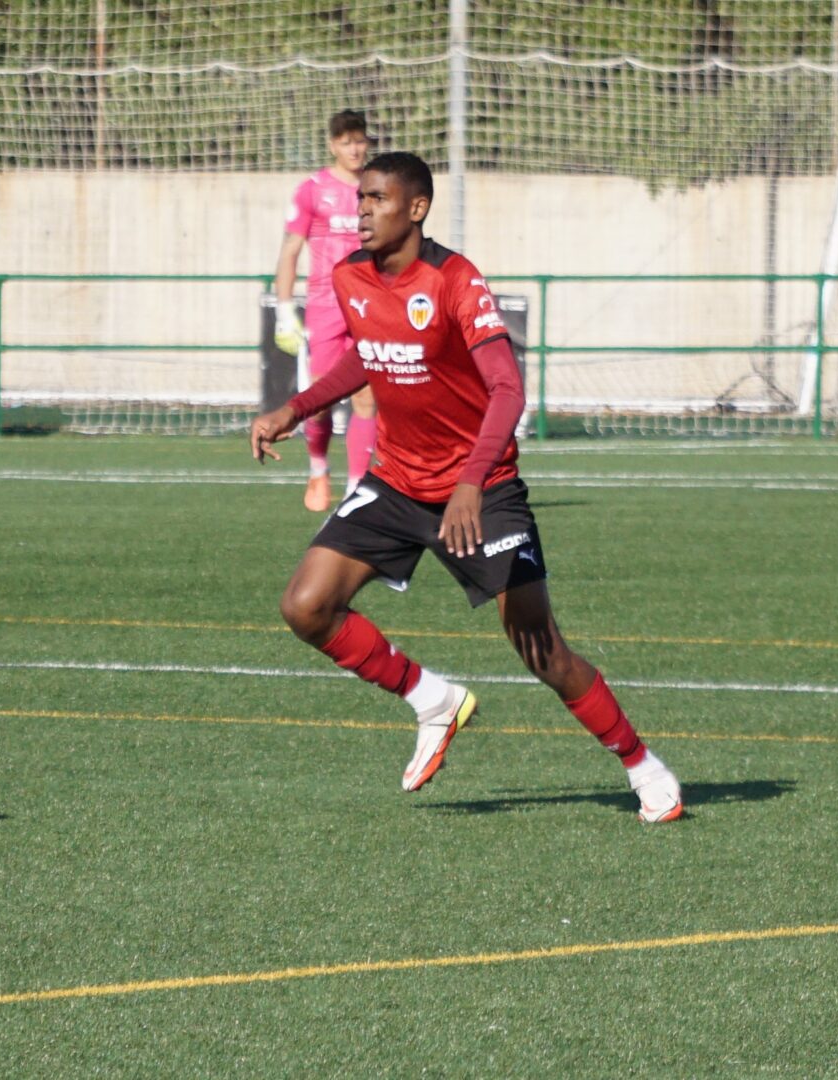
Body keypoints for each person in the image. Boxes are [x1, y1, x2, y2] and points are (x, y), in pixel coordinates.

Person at [249, 152, 683, 823]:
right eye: (359, 199)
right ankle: (431, 698)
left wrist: (472, 483)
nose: (360, 211)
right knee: (305, 606)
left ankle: (641, 764)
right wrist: (296, 408)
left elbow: (508, 389)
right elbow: (367, 355)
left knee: (541, 648)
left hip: (481, 488)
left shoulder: (455, 280)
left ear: (416, 208)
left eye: (376, 200)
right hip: (396, 480)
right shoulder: (349, 275)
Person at [273, 110, 376, 512]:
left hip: (369, 306)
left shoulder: (377, 186)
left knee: (367, 398)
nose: (354, 148)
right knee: (321, 397)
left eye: (359, 140)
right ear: (333, 145)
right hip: (325, 306)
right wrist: (284, 309)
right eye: (346, 142)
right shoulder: (313, 190)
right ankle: (318, 469)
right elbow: (290, 250)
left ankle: (356, 492)